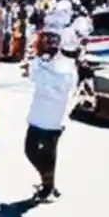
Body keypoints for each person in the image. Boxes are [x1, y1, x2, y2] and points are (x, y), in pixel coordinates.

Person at [25, 31, 77, 202]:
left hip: (55, 118)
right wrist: (40, 64)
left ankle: (48, 187)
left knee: (48, 154)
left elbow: (66, 88)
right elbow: (34, 78)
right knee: (30, 150)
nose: (50, 46)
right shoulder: (38, 62)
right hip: (37, 114)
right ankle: (48, 183)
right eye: (46, 43)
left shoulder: (67, 65)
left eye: (53, 43)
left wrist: (45, 73)